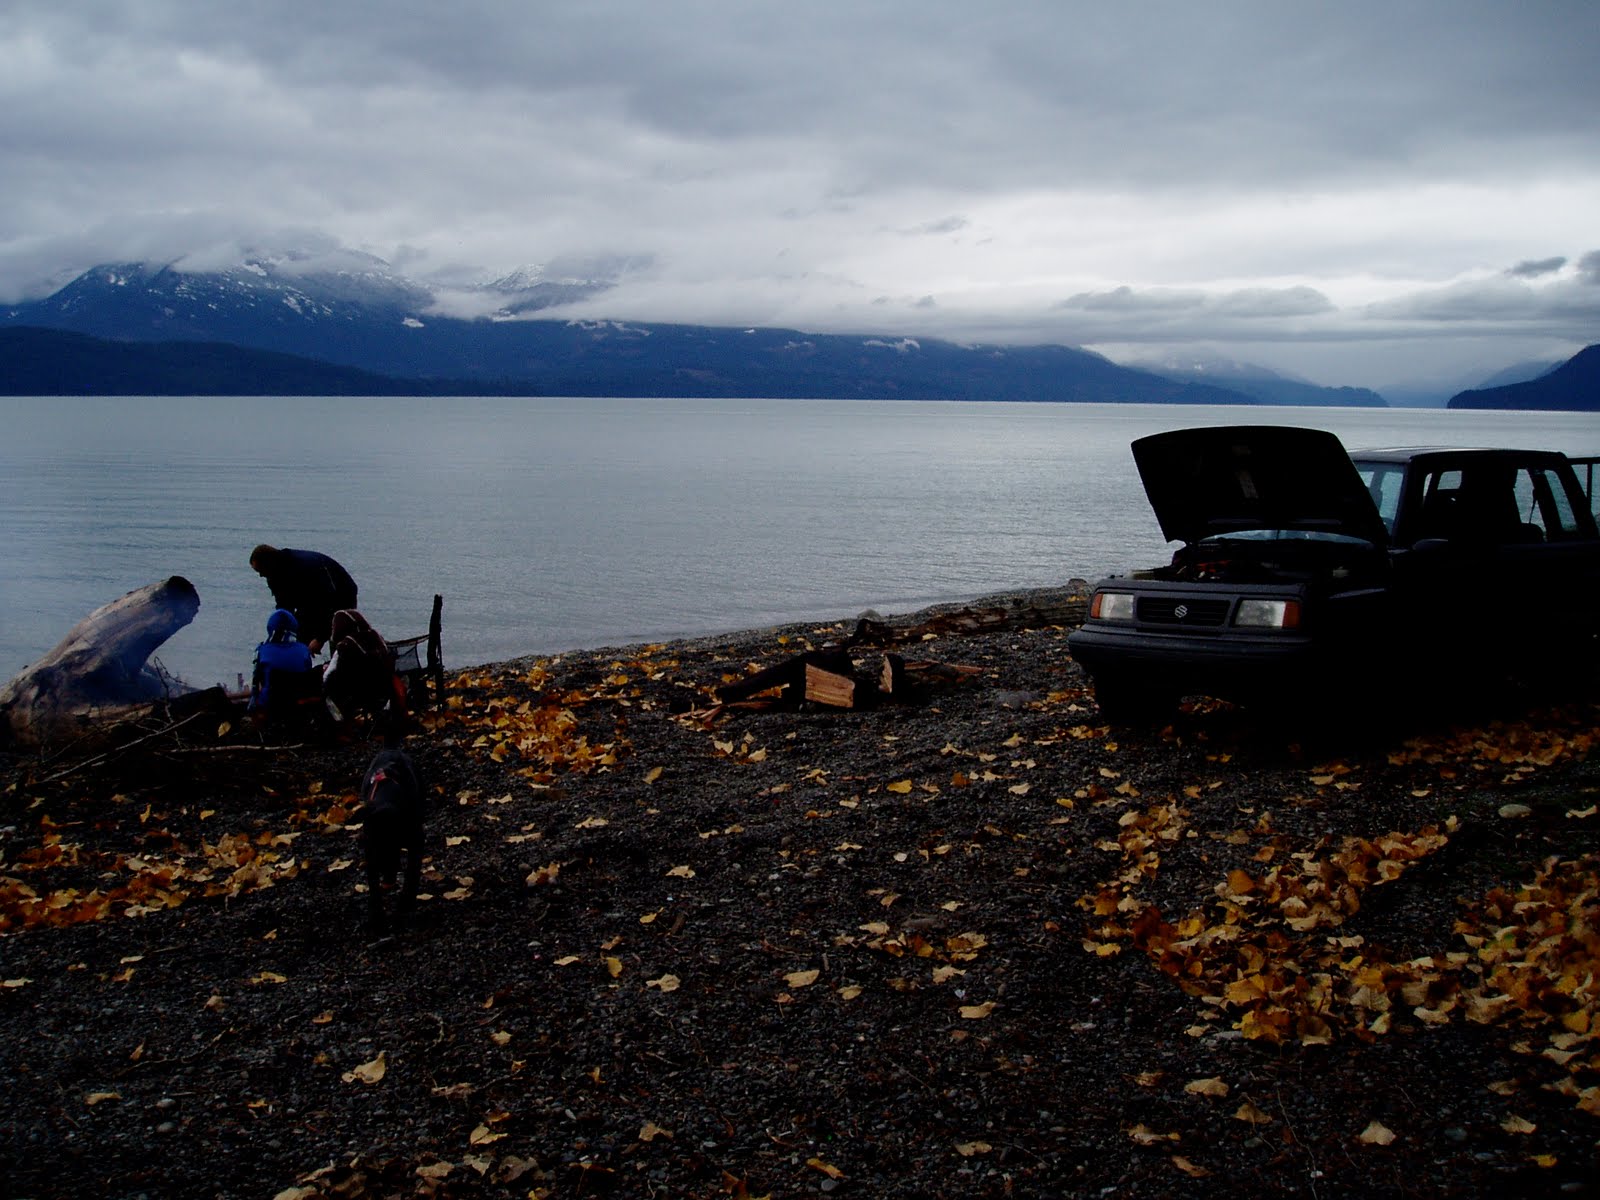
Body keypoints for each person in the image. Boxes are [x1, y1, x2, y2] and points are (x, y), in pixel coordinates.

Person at [248, 545, 358, 653]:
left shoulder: (305, 567)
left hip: (341, 597)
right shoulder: (273, 575)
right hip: (309, 601)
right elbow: (284, 609)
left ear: (269, 563)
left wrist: (320, 639)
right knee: (297, 640)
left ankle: (339, 660)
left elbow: (327, 605)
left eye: (261, 570)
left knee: (339, 642)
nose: (261, 575)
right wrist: (278, 637)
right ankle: (299, 659)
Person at [248, 608, 318, 722]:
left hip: (271, 707)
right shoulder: (304, 650)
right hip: (298, 707)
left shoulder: (261, 650)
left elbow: (255, 684)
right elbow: (307, 674)